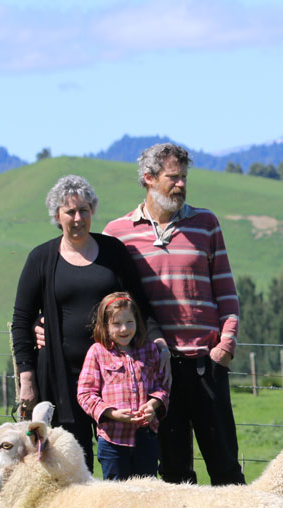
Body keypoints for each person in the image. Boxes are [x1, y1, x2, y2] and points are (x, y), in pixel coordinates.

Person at [102, 143, 245, 486]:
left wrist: (226, 344)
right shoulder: (117, 233)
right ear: (148, 179)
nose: (181, 185)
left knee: (225, 465)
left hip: (204, 363)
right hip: (154, 370)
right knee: (174, 472)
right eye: (173, 178)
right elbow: (103, 297)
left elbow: (226, 291)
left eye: (184, 177)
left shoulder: (205, 224)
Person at [12, 175, 166, 472]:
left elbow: (141, 305)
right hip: (61, 379)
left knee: (123, 467)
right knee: (69, 465)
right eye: (70, 212)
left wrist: (159, 343)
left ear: (92, 211)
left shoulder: (114, 252)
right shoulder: (41, 259)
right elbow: (21, 320)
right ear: (57, 216)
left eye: (84, 210)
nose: (78, 218)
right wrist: (27, 379)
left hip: (118, 379)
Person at [77, 292, 168, 480]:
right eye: (116, 324)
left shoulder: (149, 349)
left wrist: (153, 405)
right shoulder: (98, 352)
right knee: (116, 497)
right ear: (105, 325)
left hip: (146, 437)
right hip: (113, 441)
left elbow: (162, 385)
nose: (124, 329)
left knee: (147, 494)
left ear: (137, 321)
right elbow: (85, 393)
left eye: (129, 322)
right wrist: (112, 413)